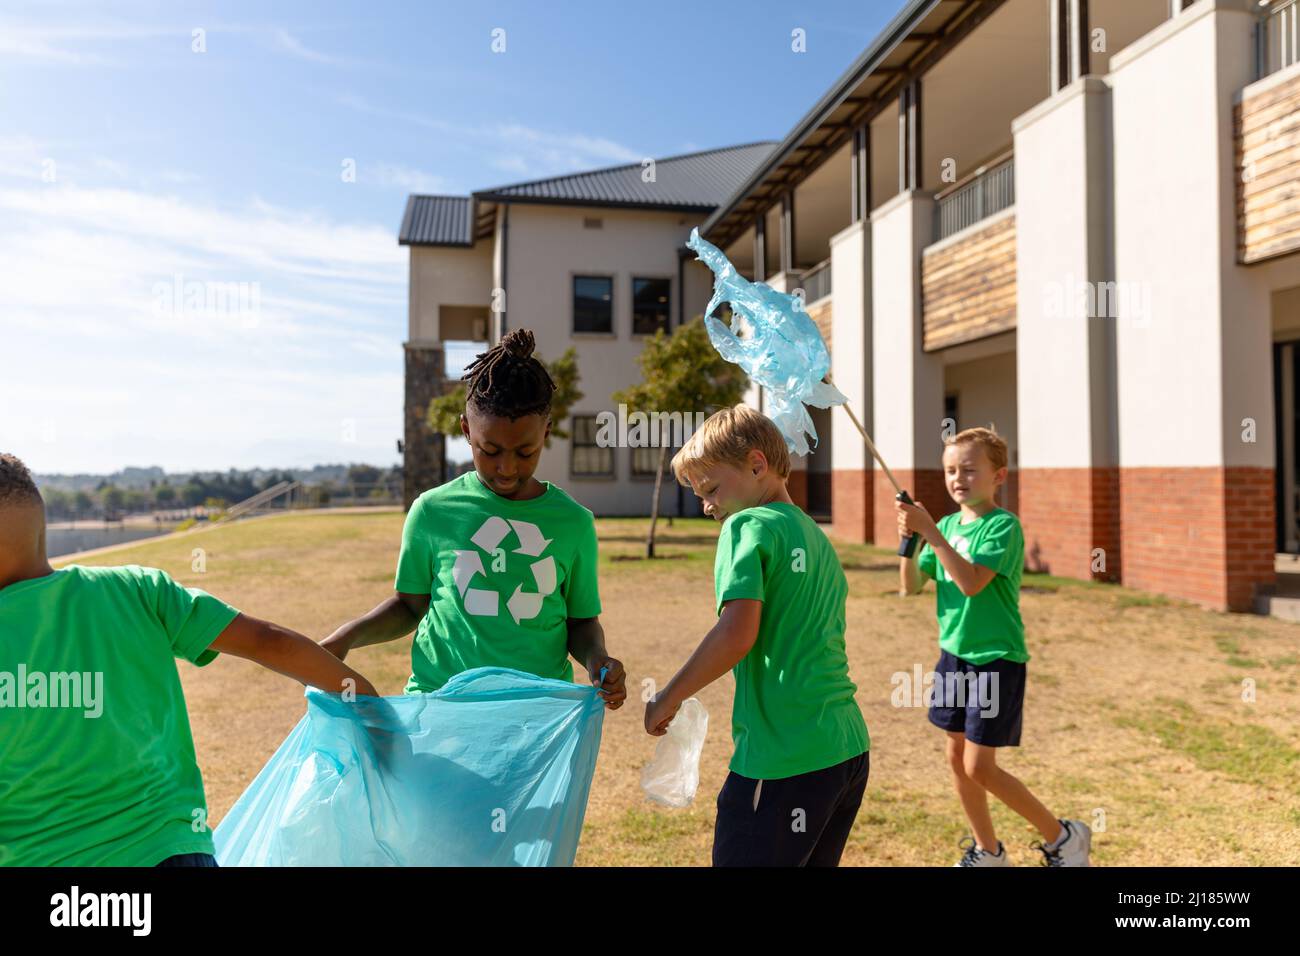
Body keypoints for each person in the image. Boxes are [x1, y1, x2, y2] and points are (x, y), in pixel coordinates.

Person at [0, 452, 378, 866]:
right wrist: (363, 697)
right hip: (171, 852)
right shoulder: (137, 589)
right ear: (41, 527)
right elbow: (267, 641)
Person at [323, 328, 626, 710]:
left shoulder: (573, 523)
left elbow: (581, 622)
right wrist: (347, 636)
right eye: (490, 450)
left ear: (546, 434)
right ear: (466, 430)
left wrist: (597, 657)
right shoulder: (432, 511)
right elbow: (409, 606)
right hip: (442, 705)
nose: (506, 467)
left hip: (535, 711)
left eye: (525, 451)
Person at [645, 404, 870, 866]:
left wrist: (668, 697)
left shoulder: (746, 525)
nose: (708, 507)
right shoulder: (815, 534)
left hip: (783, 758)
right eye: (698, 496)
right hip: (844, 749)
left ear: (756, 464)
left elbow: (736, 634)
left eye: (710, 489)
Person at [896, 426, 1091, 867]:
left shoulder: (1002, 527)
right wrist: (910, 538)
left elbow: (969, 583)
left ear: (998, 475)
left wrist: (933, 534)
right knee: (955, 756)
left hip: (995, 661)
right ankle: (988, 851)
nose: (957, 478)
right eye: (950, 470)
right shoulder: (944, 525)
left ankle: (1064, 836)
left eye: (969, 469)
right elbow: (909, 586)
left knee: (979, 767)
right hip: (954, 657)